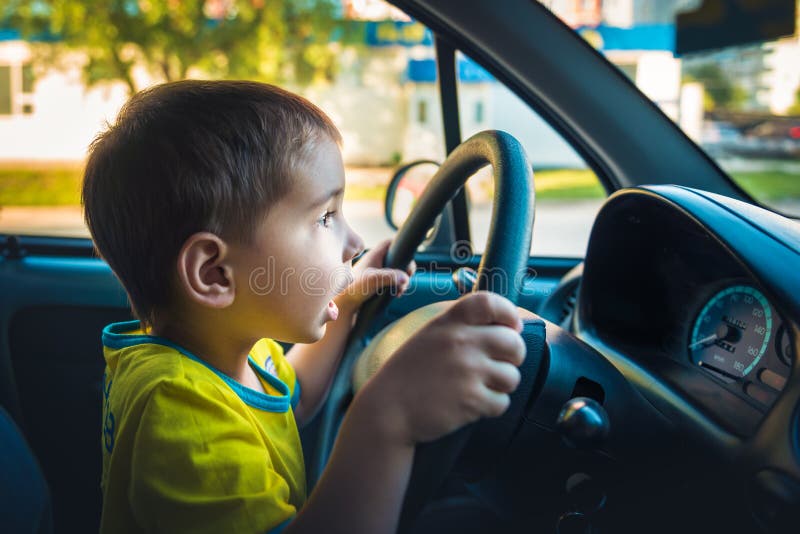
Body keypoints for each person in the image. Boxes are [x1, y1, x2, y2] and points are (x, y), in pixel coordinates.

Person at [82, 80, 526, 534]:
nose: (354, 243)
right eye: (325, 217)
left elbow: (291, 401)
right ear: (214, 274)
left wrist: (346, 302)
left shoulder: (226, 349)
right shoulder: (179, 415)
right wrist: (388, 416)